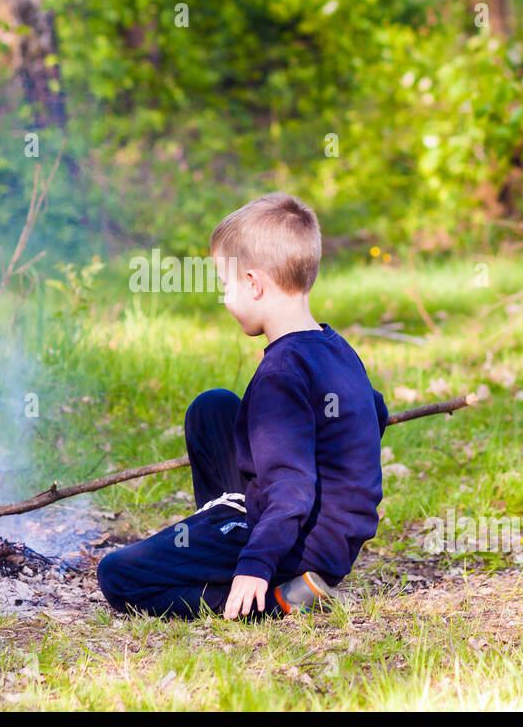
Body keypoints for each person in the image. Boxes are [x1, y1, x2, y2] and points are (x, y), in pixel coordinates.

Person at [97, 192, 389, 619]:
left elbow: (290, 487)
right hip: (333, 537)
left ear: (254, 284)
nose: (223, 298)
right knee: (213, 409)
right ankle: (226, 526)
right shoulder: (334, 346)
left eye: (225, 285)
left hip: (296, 544)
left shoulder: (281, 373)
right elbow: (374, 411)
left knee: (119, 575)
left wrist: (256, 564)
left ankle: (272, 599)